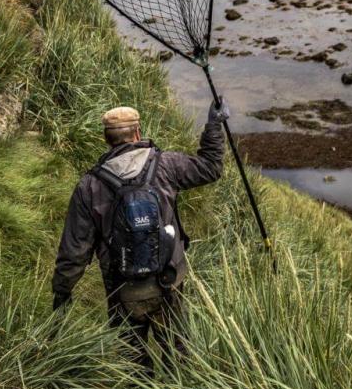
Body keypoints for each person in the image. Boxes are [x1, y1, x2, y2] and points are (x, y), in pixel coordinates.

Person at [52, 100, 227, 365]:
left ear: (106, 139)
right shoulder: (166, 165)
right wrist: (214, 124)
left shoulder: (89, 186)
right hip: (169, 282)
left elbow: (74, 251)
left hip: (122, 291)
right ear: (137, 132)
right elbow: (210, 167)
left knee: (132, 365)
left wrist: (62, 292)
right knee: (178, 359)